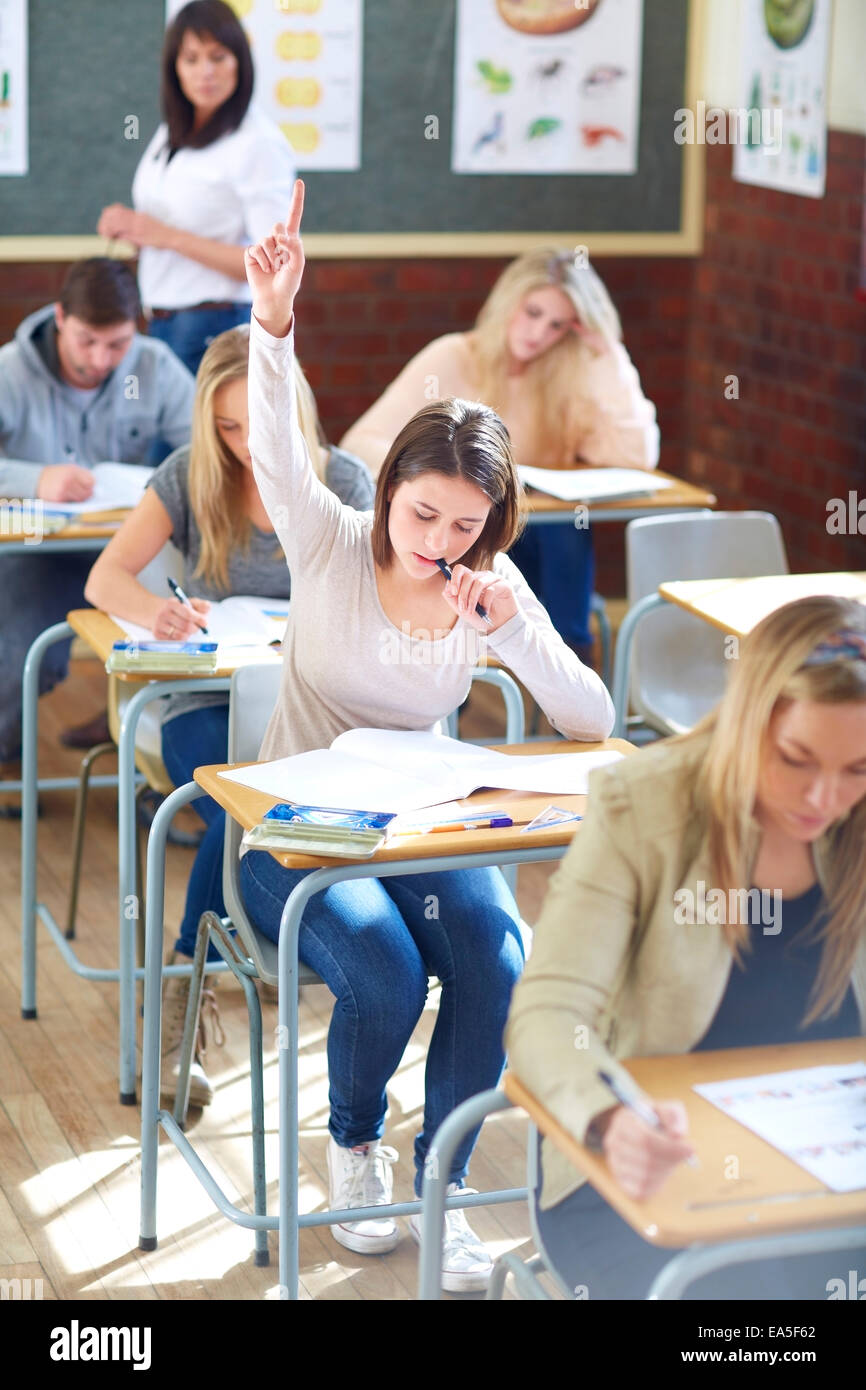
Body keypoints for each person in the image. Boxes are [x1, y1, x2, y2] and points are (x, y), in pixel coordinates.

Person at [237, 182, 615, 1292]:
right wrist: (272, 320)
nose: (438, 544)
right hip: (295, 837)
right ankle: (353, 1142)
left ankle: (438, 1181)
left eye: (464, 526)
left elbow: (589, 720)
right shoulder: (328, 538)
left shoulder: (483, 587)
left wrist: (518, 635)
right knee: (386, 968)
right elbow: (272, 447)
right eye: (422, 515)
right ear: (389, 489)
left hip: (424, 837)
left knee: (496, 961)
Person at [505, 595, 866, 1300]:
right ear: (745, 723)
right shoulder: (639, 807)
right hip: (649, 1170)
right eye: (796, 759)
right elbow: (547, 1013)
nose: (825, 797)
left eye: (857, 769)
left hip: (833, 1163)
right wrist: (611, 1118)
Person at [85, 324, 375, 1105]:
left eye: (260, 423)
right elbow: (105, 579)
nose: (246, 444)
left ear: (297, 412)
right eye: (228, 426)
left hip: (314, 709)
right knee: (233, 794)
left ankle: (190, 975)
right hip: (204, 699)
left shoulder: (346, 483)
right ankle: (204, 979)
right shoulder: (189, 478)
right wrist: (157, 612)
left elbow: (380, 604)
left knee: (256, 795)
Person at [340, 246, 659, 663]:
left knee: (568, 528)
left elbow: (635, 456)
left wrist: (609, 358)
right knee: (553, 534)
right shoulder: (453, 356)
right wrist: (444, 483)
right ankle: (518, 672)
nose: (539, 333)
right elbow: (359, 443)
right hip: (469, 534)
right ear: (508, 302)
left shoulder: (569, 373)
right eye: (532, 312)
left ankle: (568, 661)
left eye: (558, 325)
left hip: (536, 534)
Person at [0, 257, 195, 785]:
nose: (102, 359)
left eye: (117, 345)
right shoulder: (11, 371)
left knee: (175, 639)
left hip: (134, 551)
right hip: (38, 553)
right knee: (19, 655)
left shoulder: (153, 366)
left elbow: (207, 451)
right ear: (60, 317)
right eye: (87, 341)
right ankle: (5, 762)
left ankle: (159, 776)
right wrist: (32, 479)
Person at [98, 0, 295, 376]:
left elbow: (274, 268)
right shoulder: (172, 131)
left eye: (218, 57)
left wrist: (166, 236)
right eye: (191, 59)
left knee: (188, 437)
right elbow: (169, 221)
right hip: (159, 320)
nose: (205, 71)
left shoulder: (258, 143)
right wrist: (133, 228)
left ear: (240, 61)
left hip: (214, 325)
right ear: (175, 67)